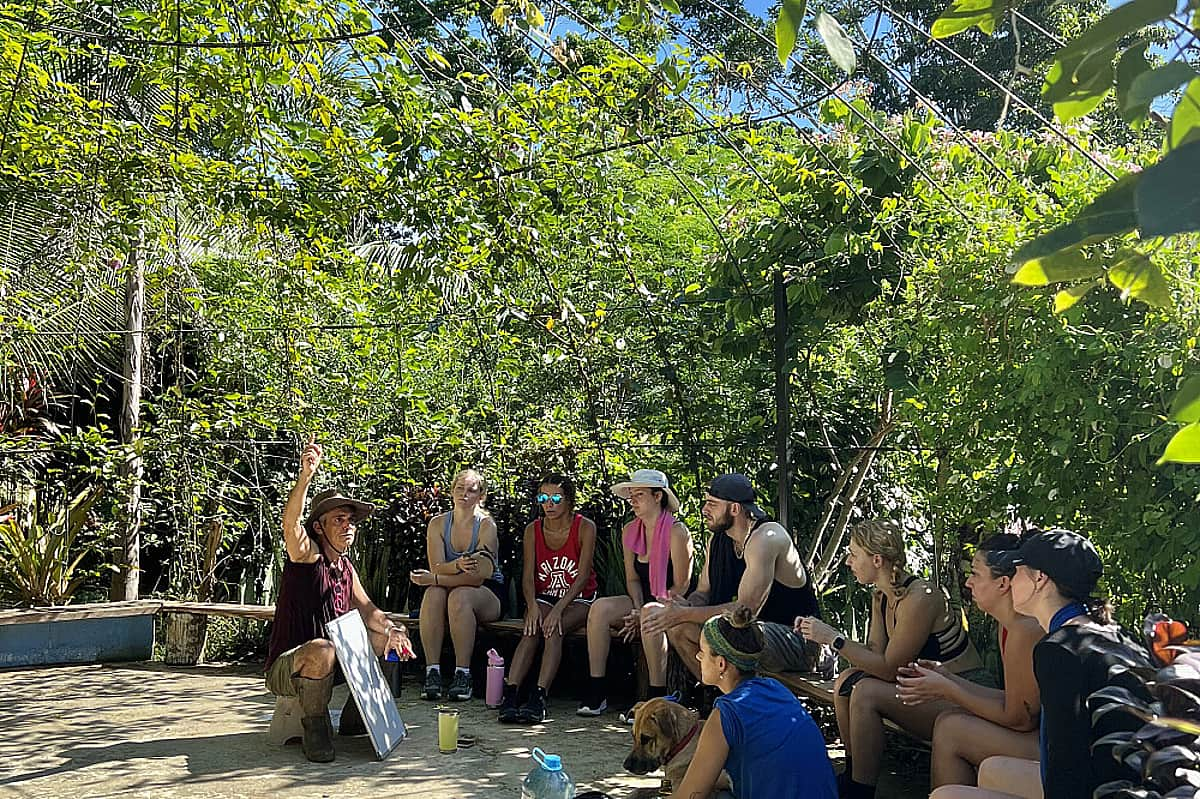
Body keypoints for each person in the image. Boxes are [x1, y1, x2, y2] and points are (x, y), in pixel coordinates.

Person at [930, 528, 1154, 799]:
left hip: (1101, 791)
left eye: (1018, 570)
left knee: (946, 796)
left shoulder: (1058, 649)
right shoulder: (1113, 633)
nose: (1011, 581)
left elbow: (1064, 766)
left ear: (1039, 579)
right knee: (991, 769)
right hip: (1125, 785)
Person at [795, 519, 985, 798]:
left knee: (867, 693)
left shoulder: (920, 597)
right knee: (848, 681)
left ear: (876, 559)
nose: (848, 561)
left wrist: (834, 639)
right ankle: (853, 774)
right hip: (928, 692)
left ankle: (859, 790)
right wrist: (822, 635)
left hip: (965, 696)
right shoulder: (881, 597)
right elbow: (875, 656)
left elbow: (887, 669)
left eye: (853, 554)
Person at [264, 438, 416, 763]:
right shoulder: (308, 557)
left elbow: (371, 613)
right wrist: (305, 477)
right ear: (319, 527)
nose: (348, 526)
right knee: (323, 648)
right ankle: (315, 727)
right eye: (338, 520)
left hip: (334, 662)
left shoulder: (346, 568)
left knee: (389, 638)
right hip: (288, 667)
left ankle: (359, 718)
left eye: (350, 520)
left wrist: (394, 631)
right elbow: (290, 525)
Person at [644, 473, 830, 693]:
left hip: (799, 641)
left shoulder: (767, 537)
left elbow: (744, 612)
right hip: (751, 633)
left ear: (734, 509)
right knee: (678, 627)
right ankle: (719, 698)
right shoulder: (718, 540)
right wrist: (682, 607)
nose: (704, 509)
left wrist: (682, 613)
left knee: (728, 633)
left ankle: (738, 706)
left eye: (712, 504)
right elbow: (703, 592)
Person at [895, 533, 1043, 789]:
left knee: (952, 730)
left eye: (976, 574)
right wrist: (947, 677)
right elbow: (1012, 701)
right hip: (1038, 736)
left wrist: (947, 690)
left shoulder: (1025, 629)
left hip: (1059, 749)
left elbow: (1021, 719)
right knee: (948, 722)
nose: (968, 582)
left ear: (1003, 583)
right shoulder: (1007, 626)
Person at [669, 605, 837, 799]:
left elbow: (690, 796)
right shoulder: (777, 689)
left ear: (721, 664)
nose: (698, 656)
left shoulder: (725, 715)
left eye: (703, 652)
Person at [578, 469, 694, 716]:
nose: (633, 500)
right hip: (641, 600)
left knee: (651, 614)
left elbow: (682, 585)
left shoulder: (677, 531)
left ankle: (655, 697)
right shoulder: (630, 530)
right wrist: (636, 608)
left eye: (639, 494)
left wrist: (645, 611)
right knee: (600, 609)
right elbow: (631, 578)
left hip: (674, 602)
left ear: (658, 497)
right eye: (631, 495)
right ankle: (597, 690)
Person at [498, 474, 598, 724]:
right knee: (531, 629)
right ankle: (510, 694)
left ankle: (539, 696)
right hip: (544, 596)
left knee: (554, 628)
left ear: (569, 501)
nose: (549, 504)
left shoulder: (585, 527)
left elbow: (583, 576)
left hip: (579, 599)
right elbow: (528, 575)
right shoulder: (533, 529)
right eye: (543, 498)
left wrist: (557, 610)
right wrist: (531, 606)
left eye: (555, 498)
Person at [409, 468, 506, 701]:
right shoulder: (438, 524)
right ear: (452, 492)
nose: (464, 495)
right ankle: (432, 671)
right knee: (433, 594)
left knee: (459, 595)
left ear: (481, 495)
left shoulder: (486, 525)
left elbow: (476, 577)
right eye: (459, 489)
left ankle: (463, 674)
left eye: (471, 490)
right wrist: (457, 566)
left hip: (486, 593)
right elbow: (437, 566)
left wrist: (436, 577)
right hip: (449, 588)